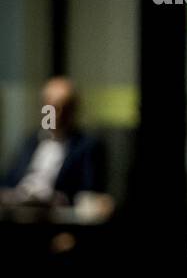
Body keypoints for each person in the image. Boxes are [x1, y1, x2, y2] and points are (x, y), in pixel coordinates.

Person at [1, 76, 107, 206]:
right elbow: (9, 181)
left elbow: (88, 192)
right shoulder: (30, 141)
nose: (58, 114)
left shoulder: (87, 145)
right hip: (18, 208)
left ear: (73, 110)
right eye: (53, 107)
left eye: (65, 107)